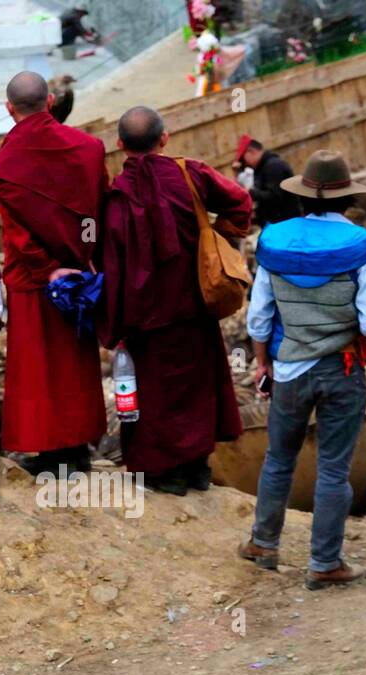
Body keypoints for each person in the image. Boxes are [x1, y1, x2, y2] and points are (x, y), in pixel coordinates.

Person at [239, 150, 366, 590]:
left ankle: (263, 544)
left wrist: (263, 363)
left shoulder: (272, 241)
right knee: (332, 469)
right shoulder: (361, 245)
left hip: (288, 371)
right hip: (342, 371)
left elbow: (259, 318)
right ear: (347, 200)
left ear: (303, 198)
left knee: (279, 459)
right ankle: (324, 563)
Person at [99, 106, 251, 494]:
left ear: (119, 145)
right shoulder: (192, 173)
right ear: (163, 138)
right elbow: (240, 202)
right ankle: (198, 467)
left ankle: (164, 472)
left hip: (144, 316)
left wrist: (113, 323)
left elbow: (109, 261)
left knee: (154, 393)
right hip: (194, 303)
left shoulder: (114, 197)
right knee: (199, 386)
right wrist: (216, 238)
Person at [0, 71, 108, 473]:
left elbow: (17, 233)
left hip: (34, 280)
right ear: (51, 101)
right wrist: (84, 261)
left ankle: (53, 456)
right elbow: (100, 209)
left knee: (39, 370)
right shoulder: (89, 149)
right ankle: (79, 451)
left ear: (9, 109)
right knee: (76, 362)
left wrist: (48, 269)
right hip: (81, 274)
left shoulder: (5, 164)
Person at [234, 135, 300, 226]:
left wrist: (249, 192)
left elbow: (275, 197)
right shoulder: (263, 168)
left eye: (243, 160)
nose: (244, 164)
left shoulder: (273, 167)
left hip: (284, 225)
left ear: (251, 152)